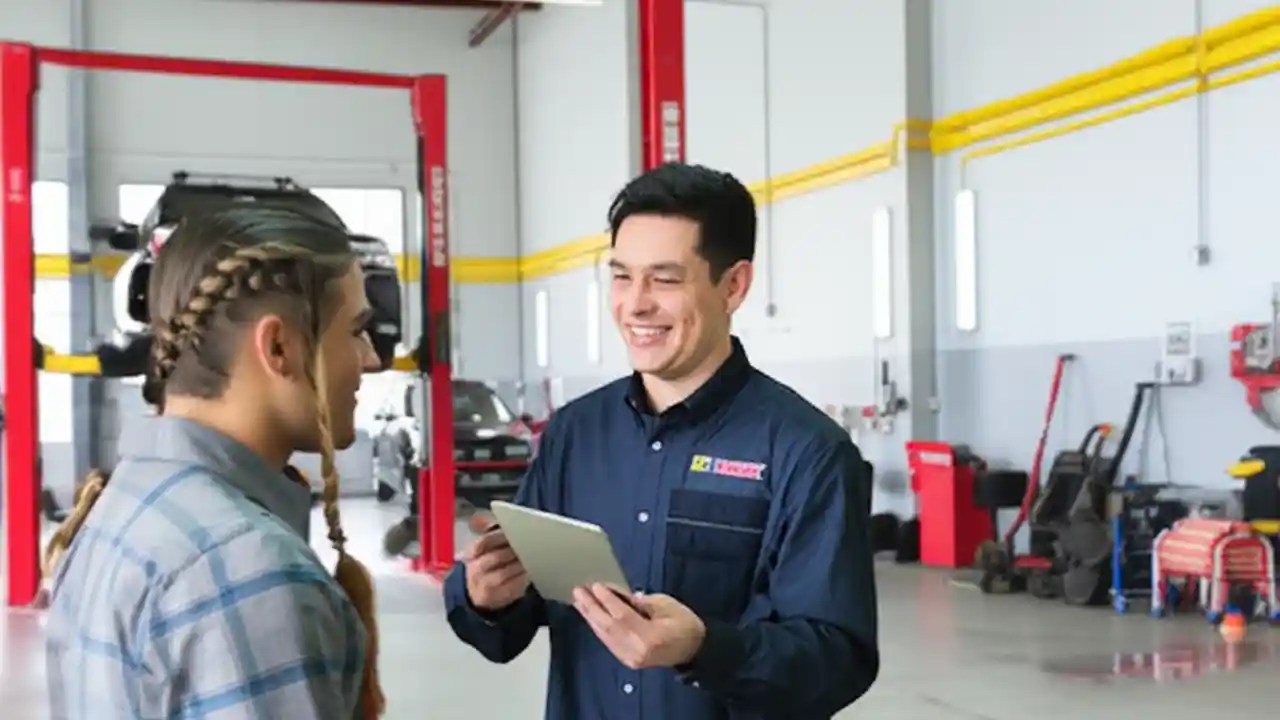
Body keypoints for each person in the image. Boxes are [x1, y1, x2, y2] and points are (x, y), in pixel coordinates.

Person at [443, 162, 880, 719]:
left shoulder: (806, 452)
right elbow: (511, 626)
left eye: (665, 279)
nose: (636, 304)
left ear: (734, 286)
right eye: (622, 277)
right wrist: (486, 598)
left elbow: (838, 658)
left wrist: (706, 649)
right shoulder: (575, 435)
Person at [42, 207, 386, 719]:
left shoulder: (117, 508)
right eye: (356, 331)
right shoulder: (253, 574)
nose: (373, 359)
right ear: (279, 347)